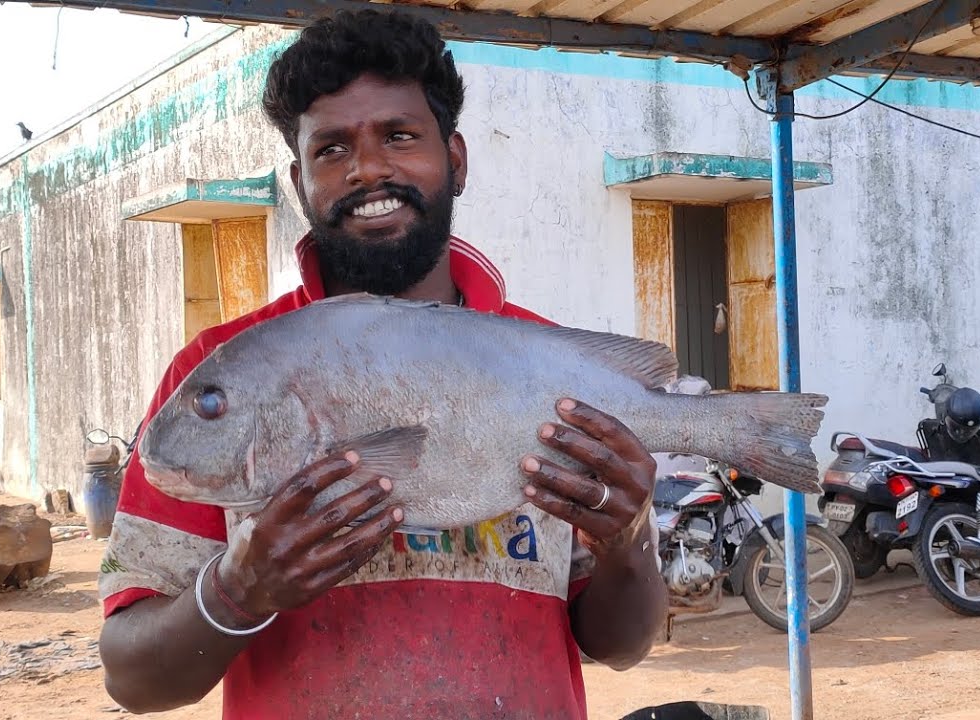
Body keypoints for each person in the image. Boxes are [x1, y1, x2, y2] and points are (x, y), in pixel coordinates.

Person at [97, 9, 668, 718]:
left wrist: (627, 538)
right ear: (300, 182)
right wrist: (237, 589)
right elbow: (132, 678)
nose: (368, 170)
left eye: (399, 137)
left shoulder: (547, 365)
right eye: (331, 150)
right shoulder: (223, 376)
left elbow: (618, 645)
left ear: (455, 160)